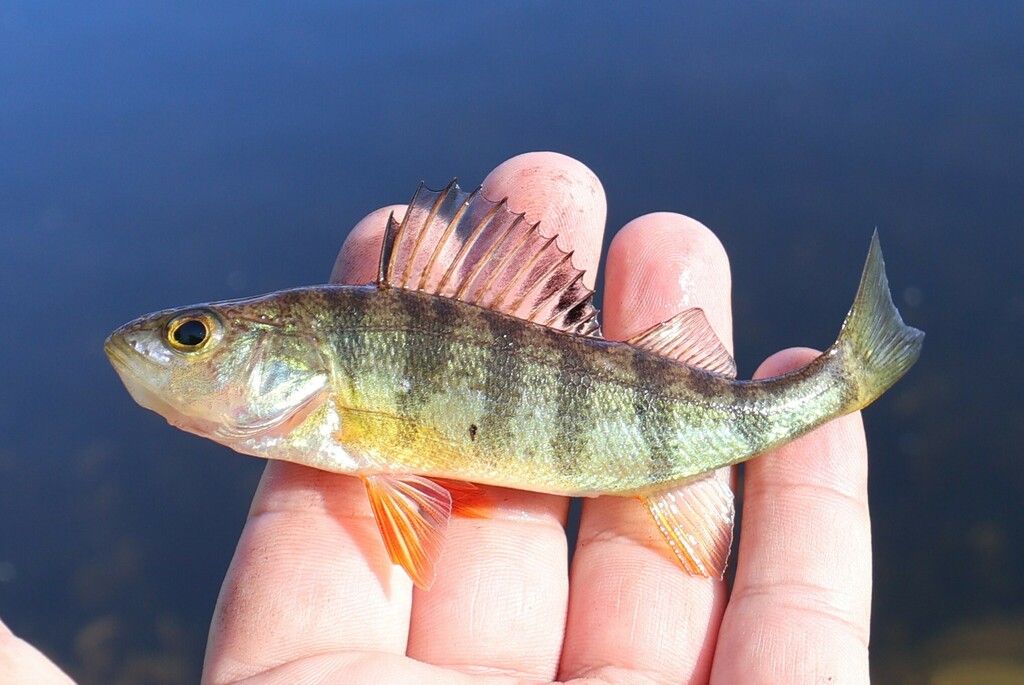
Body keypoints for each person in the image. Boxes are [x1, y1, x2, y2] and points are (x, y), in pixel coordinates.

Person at [1, 153, 872, 684]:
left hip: (657, 430)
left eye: (192, 337)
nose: (164, 349)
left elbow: (408, 492)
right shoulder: (338, 417)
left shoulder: (345, 407)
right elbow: (408, 491)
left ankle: (840, 381)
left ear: (281, 349)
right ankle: (838, 382)